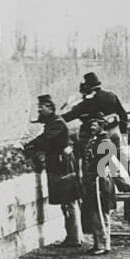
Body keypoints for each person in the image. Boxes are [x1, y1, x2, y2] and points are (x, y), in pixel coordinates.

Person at [23, 94, 82, 247]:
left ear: (49, 107)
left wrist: (27, 146)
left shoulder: (56, 123)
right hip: (59, 164)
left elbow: (45, 139)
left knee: (68, 202)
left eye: (41, 108)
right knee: (66, 202)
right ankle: (73, 236)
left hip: (62, 166)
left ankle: (74, 238)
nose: (39, 111)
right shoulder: (53, 122)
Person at [79, 115, 117, 254]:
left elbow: (103, 162)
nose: (92, 127)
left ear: (101, 126)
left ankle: (102, 244)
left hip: (99, 181)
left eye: (95, 125)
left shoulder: (105, 142)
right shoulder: (95, 140)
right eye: (91, 125)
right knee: (95, 212)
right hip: (94, 179)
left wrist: (93, 175)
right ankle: (99, 242)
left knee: (100, 212)